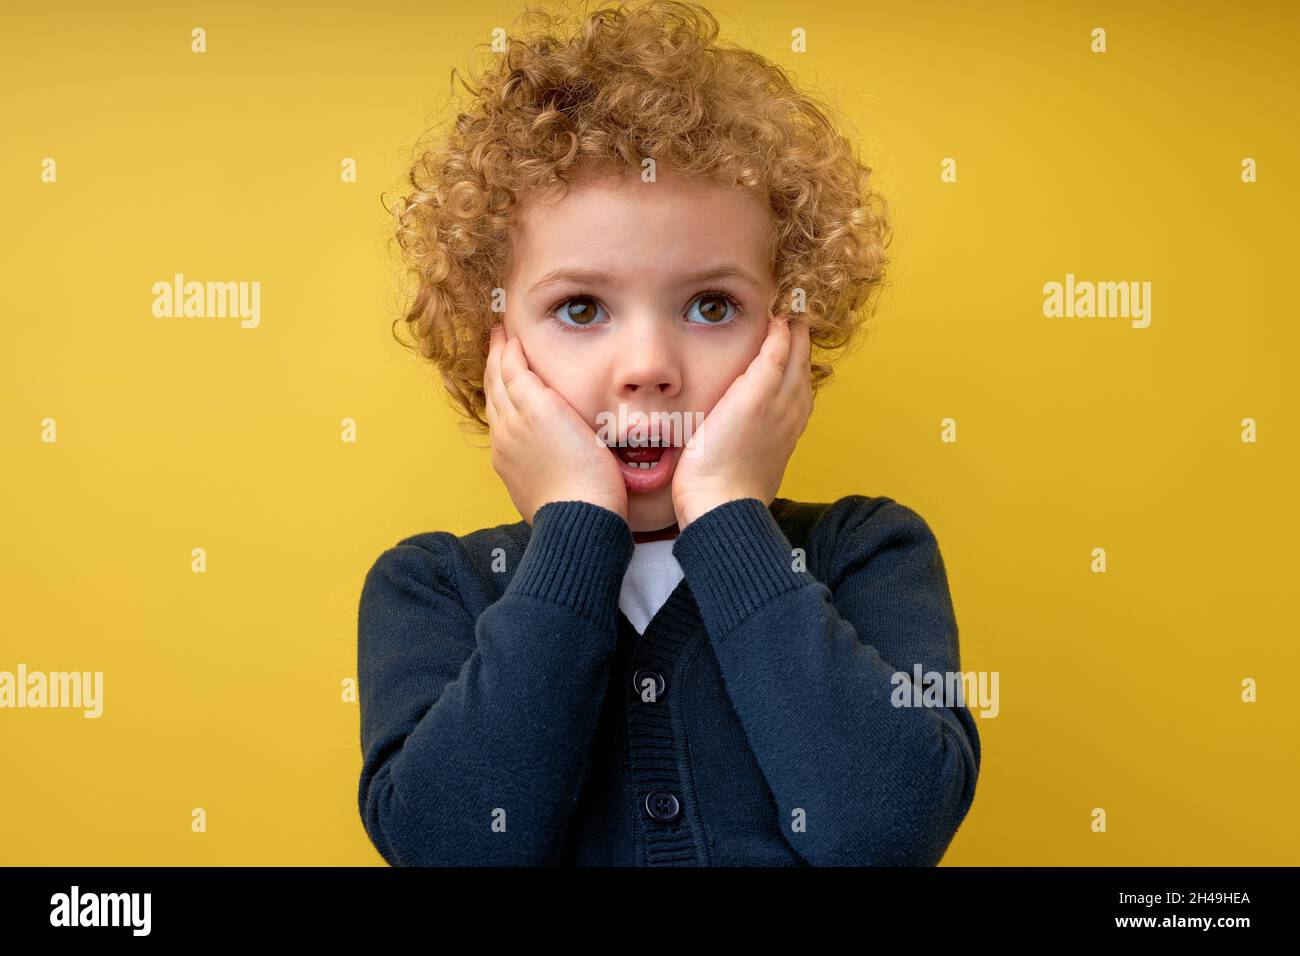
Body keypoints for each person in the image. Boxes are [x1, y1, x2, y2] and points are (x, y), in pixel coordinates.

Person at [357, 0, 979, 866]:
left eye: (711, 305)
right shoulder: (433, 588)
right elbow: (451, 846)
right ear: (490, 333)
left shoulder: (867, 552)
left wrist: (727, 510)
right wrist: (575, 522)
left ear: (788, 330)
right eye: (581, 308)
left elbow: (886, 831)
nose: (648, 365)